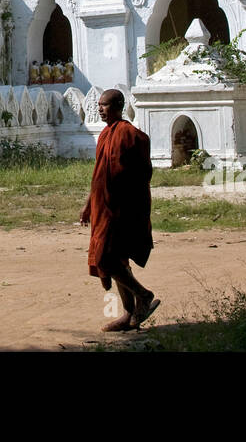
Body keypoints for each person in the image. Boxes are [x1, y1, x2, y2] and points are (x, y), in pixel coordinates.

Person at [79, 89, 159, 332]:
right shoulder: (104, 135)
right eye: (99, 105)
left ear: (118, 106)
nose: (101, 109)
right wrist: (88, 204)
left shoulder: (131, 135)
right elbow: (100, 173)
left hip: (121, 209)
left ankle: (142, 294)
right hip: (103, 206)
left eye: (105, 105)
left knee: (106, 258)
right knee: (117, 260)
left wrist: (128, 200)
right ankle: (129, 313)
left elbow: (142, 174)